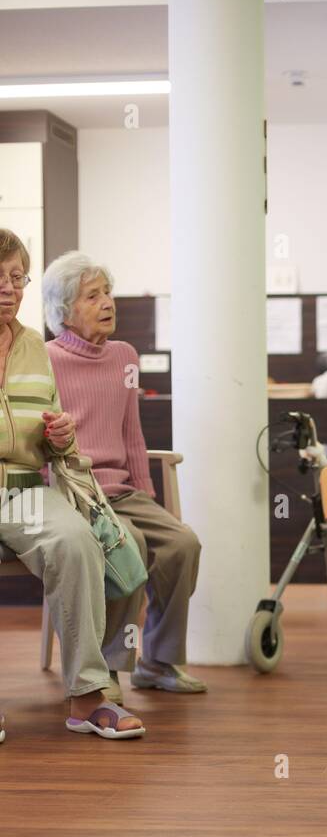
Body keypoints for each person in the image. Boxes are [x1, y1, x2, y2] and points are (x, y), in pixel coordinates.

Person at [0, 229, 145, 740]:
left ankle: (87, 695)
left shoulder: (35, 348)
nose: (9, 288)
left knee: (77, 540)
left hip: (21, 487)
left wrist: (60, 435)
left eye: (17, 277)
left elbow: (52, 435)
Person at [44, 251, 205, 700]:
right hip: (76, 490)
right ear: (64, 311)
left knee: (181, 543)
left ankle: (158, 660)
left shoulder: (124, 357)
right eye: (92, 296)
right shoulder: (45, 359)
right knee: (126, 542)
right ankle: (107, 668)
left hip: (122, 490)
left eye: (107, 292)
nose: (106, 302)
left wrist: (150, 496)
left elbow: (132, 434)